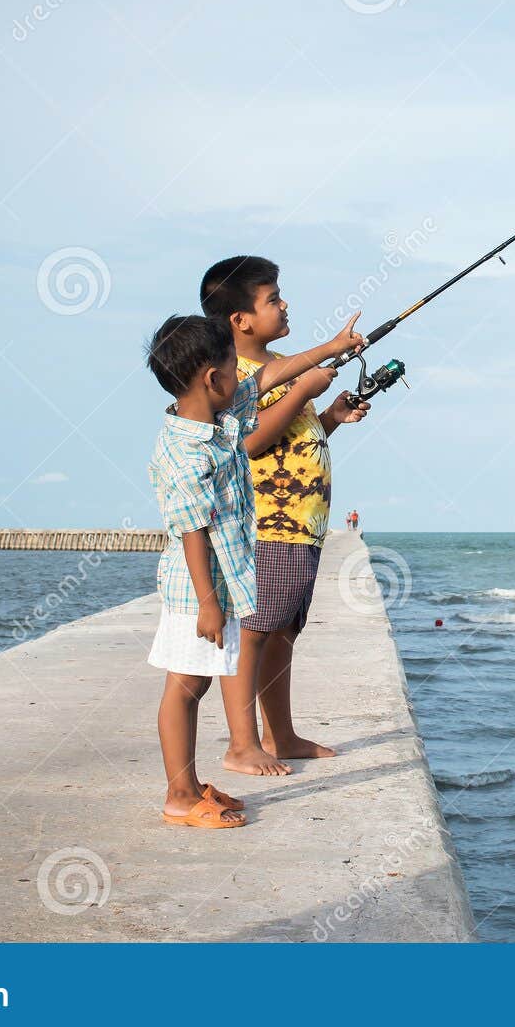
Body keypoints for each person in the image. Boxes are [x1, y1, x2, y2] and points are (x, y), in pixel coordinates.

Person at [144, 312, 364, 826]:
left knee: (195, 684)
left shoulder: (216, 421)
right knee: (185, 688)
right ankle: (179, 796)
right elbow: (193, 530)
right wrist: (208, 604)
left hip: (216, 585)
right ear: (213, 378)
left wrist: (330, 347)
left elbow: (268, 376)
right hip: (195, 590)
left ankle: (190, 785)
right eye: (231, 368)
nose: (241, 376)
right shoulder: (188, 451)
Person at [199, 256, 371, 776]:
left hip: (303, 526)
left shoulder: (279, 365)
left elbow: (289, 439)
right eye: (272, 299)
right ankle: (241, 744)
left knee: (282, 631)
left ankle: (281, 735)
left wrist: (330, 416)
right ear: (240, 319)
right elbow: (249, 444)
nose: (284, 304)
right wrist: (302, 390)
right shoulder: (233, 377)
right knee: (254, 631)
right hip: (266, 525)